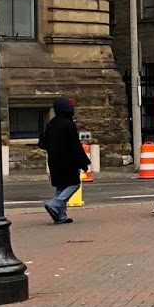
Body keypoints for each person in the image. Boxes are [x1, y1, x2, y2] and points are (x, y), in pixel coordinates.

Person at [38, 96, 91, 224]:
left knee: (61, 187)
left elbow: (44, 143)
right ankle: (55, 204)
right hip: (67, 161)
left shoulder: (52, 123)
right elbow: (75, 146)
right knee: (74, 184)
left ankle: (60, 215)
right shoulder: (68, 125)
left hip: (53, 160)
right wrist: (83, 162)